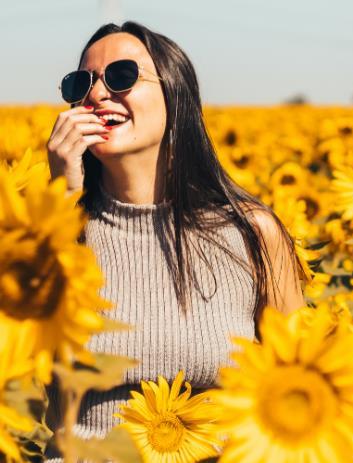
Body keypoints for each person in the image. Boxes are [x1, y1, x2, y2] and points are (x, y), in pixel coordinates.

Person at [44, 22, 305, 454]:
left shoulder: (250, 233)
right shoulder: (47, 235)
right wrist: (58, 206)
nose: (97, 94)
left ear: (174, 93)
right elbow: (23, 376)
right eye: (81, 84)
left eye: (121, 76)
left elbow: (301, 379)